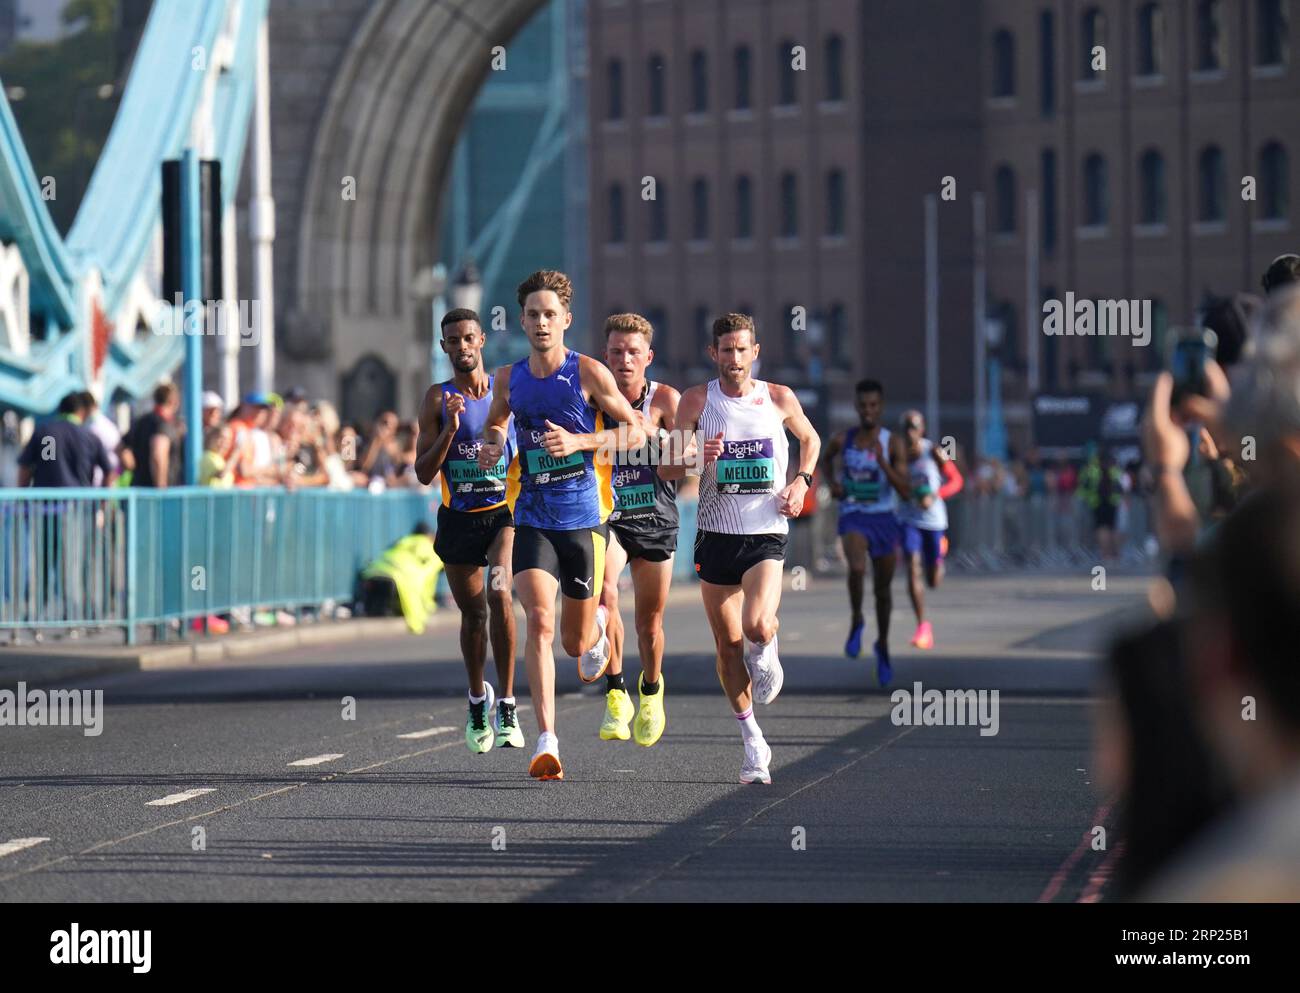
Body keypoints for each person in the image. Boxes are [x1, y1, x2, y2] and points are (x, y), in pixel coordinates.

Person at [477, 270, 645, 780]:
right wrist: (491, 444)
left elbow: (635, 435)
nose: (542, 322)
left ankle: (595, 628)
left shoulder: (589, 373)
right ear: (522, 320)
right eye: (533, 314)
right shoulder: (509, 378)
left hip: (584, 522)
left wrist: (581, 443)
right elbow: (498, 422)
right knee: (539, 622)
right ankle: (546, 739)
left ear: (566, 320)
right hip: (532, 518)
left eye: (551, 314)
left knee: (573, 643)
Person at [663, 313, 821, 785]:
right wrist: (693, 457)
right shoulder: (695, 401)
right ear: (714, 354)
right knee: (728, 646)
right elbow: (668, 470)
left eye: (742, 350)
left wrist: (801, 482)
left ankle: (768, 648)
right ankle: (753, 741)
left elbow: (809, 439)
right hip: (715, 534)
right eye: (725, 350)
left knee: (755, 624)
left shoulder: (777, 398)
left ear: (756, 351)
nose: (734, 359)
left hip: (766, 531)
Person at [414, 308, 522, 753]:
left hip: (502, 514)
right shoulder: (436, 400)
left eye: (467, 339)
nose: (461, 347)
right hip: (458, 518)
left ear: (481, 341)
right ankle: (479, 697)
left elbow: (525, 446)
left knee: (500, 594)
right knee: (474, 613)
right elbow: (423, 472)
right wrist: (451, 432)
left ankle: (510, 705)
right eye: (452, 341)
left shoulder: (506, 391)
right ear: (444, 348)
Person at [594, 313, 680, 747]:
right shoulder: (593, 399)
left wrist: (658, 439)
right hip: (611, 517)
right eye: (616, 352)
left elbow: (687, 462)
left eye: (633, 353)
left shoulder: (666, 400)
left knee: (649, 624)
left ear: (648, 356)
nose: (624, 360)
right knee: (606, 594)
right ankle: (615, 692)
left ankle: (650, 690)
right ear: (605, 355)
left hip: (656, 517)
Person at [819, 379, 911, 684]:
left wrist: (883, 462)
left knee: (883, 591)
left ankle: (882, 645)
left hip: (884, 519)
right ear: (856, 407)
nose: (868, 411)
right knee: (857, 567)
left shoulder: (893, 442)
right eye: (862, 406)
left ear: (880, 407)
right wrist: (832, 483)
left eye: (873, 406)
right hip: (854, 515)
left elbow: (906, 490)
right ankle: (857, 618)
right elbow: (824, 458)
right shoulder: (843, 439)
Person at [896, 410, 963, 650]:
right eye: (905, 429)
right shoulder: (896, 454)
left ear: (922, 430)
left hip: (933, 520)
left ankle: (939, 554)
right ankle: (922, 627)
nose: (909, 433)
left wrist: (935, 496)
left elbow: (957, 481)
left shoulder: (934, 452)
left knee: (933, 580)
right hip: (908, 519)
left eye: (914, 428)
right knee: (912, 567)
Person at [359, 522, 443, 635]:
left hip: (372, 573)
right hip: (398, 579)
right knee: (406, 600)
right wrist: (427, 606)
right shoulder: (431, 548)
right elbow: (429, 579)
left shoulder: (403, 540)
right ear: (430, 536)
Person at [17, 391, 112, 488]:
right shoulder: (90, 437)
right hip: (80, 501)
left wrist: (22, 497)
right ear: (81, 411)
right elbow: (109, 471)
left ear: (60, 410)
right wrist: (103, 501)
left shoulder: (43, 431)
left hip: (45, 500)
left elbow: (25, 467)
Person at [120, 383, 181, 488]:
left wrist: (131, 467)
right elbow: (158, 455)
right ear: (173, 401)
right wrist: (161, 487)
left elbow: (121, 447)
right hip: (156, 493)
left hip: (138, 487)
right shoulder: (163, 424)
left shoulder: (142, 421)